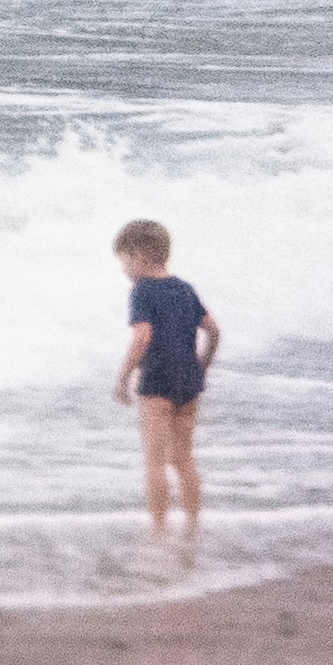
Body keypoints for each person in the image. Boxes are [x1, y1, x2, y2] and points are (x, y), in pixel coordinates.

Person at [109, 219, 220, 538]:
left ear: (138, 256)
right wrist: (203, 366)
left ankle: (158, 531)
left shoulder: (142, 290)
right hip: (189, 379)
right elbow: (213, 330)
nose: (123, 269)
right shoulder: (185, 289)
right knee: (184, 458)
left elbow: (142, 337)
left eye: (124, 260)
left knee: (155, 462)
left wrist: (123, 378)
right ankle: (193, 526)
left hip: (157, 380)